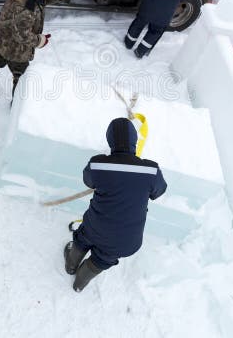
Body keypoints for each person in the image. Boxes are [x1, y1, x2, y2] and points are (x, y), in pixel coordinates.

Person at [64, 118, 168, 292]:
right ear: (135, 141)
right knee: (103, 259)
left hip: (95, 227)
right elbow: (159, 191)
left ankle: (70, 265)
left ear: (109, 140)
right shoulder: (151, 171)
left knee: (83, 237)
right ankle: (79, 283)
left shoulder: (98, 164)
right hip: (127, 241)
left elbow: (88, 180)